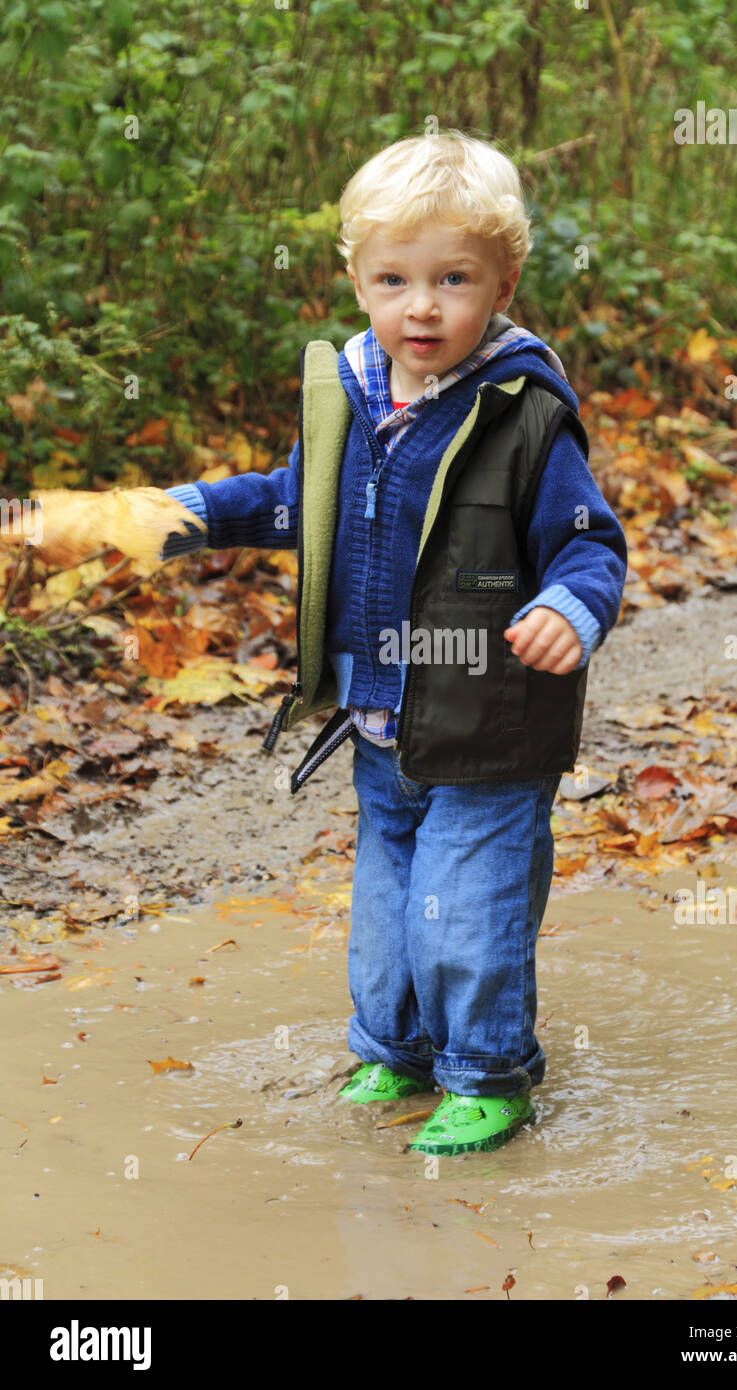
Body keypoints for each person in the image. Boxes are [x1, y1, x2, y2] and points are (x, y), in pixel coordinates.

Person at [164, 131, 629, 1155]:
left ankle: (488, 1071)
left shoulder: (523, 412)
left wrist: (571, 606)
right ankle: (396, 1047)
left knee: (467, 911)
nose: (421, 305)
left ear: (500, 282)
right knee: (385, 916)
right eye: (394, 278)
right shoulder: (349, 395)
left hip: (490, 724)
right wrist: (185, 513)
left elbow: (590, 544)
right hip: (380, 720)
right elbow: (297, 505)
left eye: (452, 279)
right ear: (356, 277)